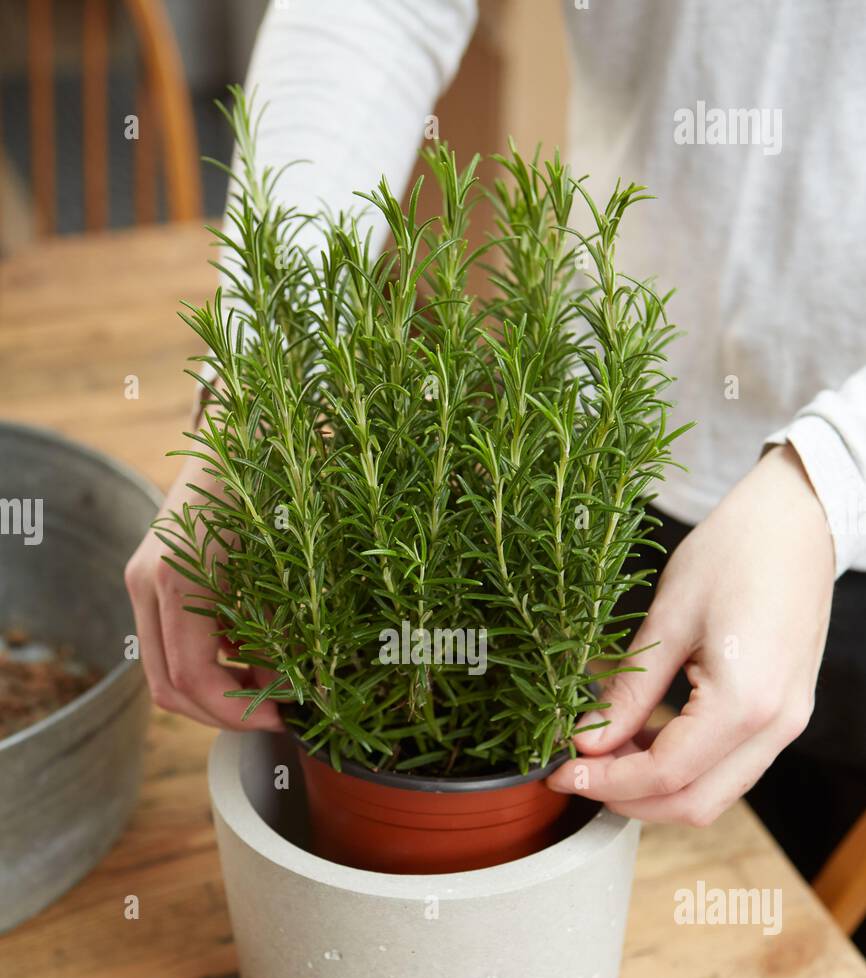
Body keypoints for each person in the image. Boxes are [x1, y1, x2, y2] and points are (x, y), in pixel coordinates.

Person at [125, 0, 866, 878]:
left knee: (809, 917)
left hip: (833, 549)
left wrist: (831, 475)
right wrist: (264, 386)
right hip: (591, 459)